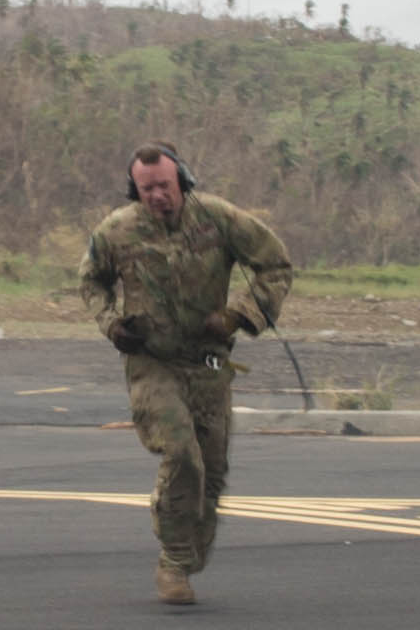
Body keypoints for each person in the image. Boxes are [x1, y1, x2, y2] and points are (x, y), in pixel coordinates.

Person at [82, 144, 295, 606]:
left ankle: (188, 552)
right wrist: (112, 324)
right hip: (152, 361)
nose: (157, 195)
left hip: (210, 361)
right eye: (146, 188)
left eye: (164, 185)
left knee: (211, 475)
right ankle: (174, 562)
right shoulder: (116, 231)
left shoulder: (218, 219)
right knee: (182, 453)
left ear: (183, 179)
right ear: (134, 190)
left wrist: (238, 314)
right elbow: (92, 281)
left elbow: (275, 264)